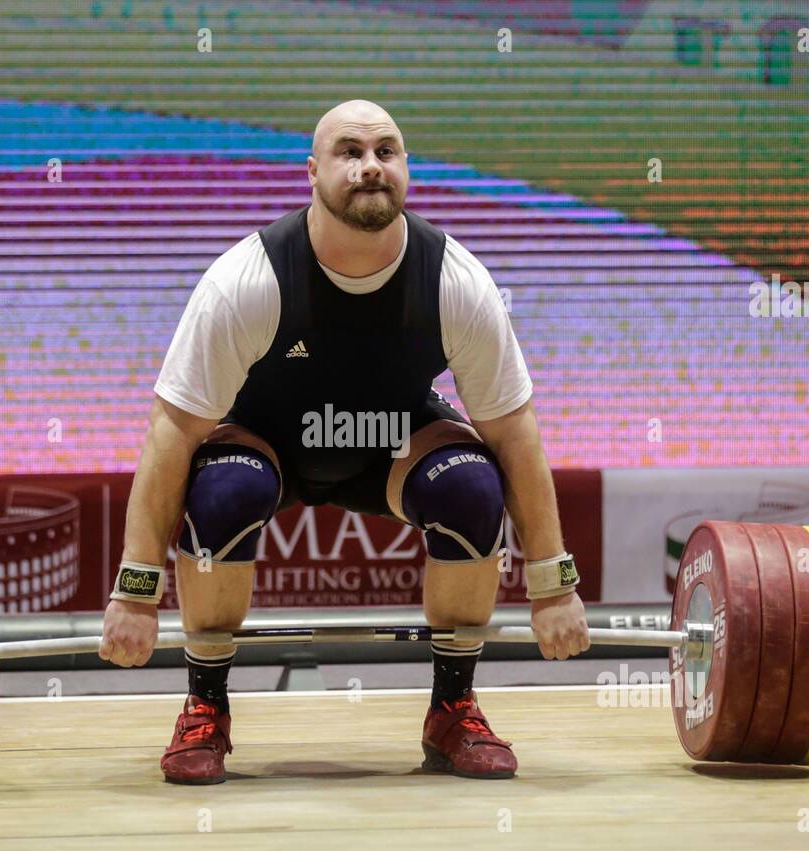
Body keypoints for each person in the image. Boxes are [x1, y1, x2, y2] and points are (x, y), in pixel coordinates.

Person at [101, 100, 589, 784]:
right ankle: (204, 707)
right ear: (312, 173)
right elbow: (172, 431)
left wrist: (552, 584)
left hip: (392, 445)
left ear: (406, 170)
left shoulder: (456, 281)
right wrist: (135, 592)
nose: (370, 167)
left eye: (386, 152)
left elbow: (514, 432)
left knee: (473, 487)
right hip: (267, 443)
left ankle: (452, 707)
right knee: (223, 492)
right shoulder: (248, 279)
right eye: (350, 152)